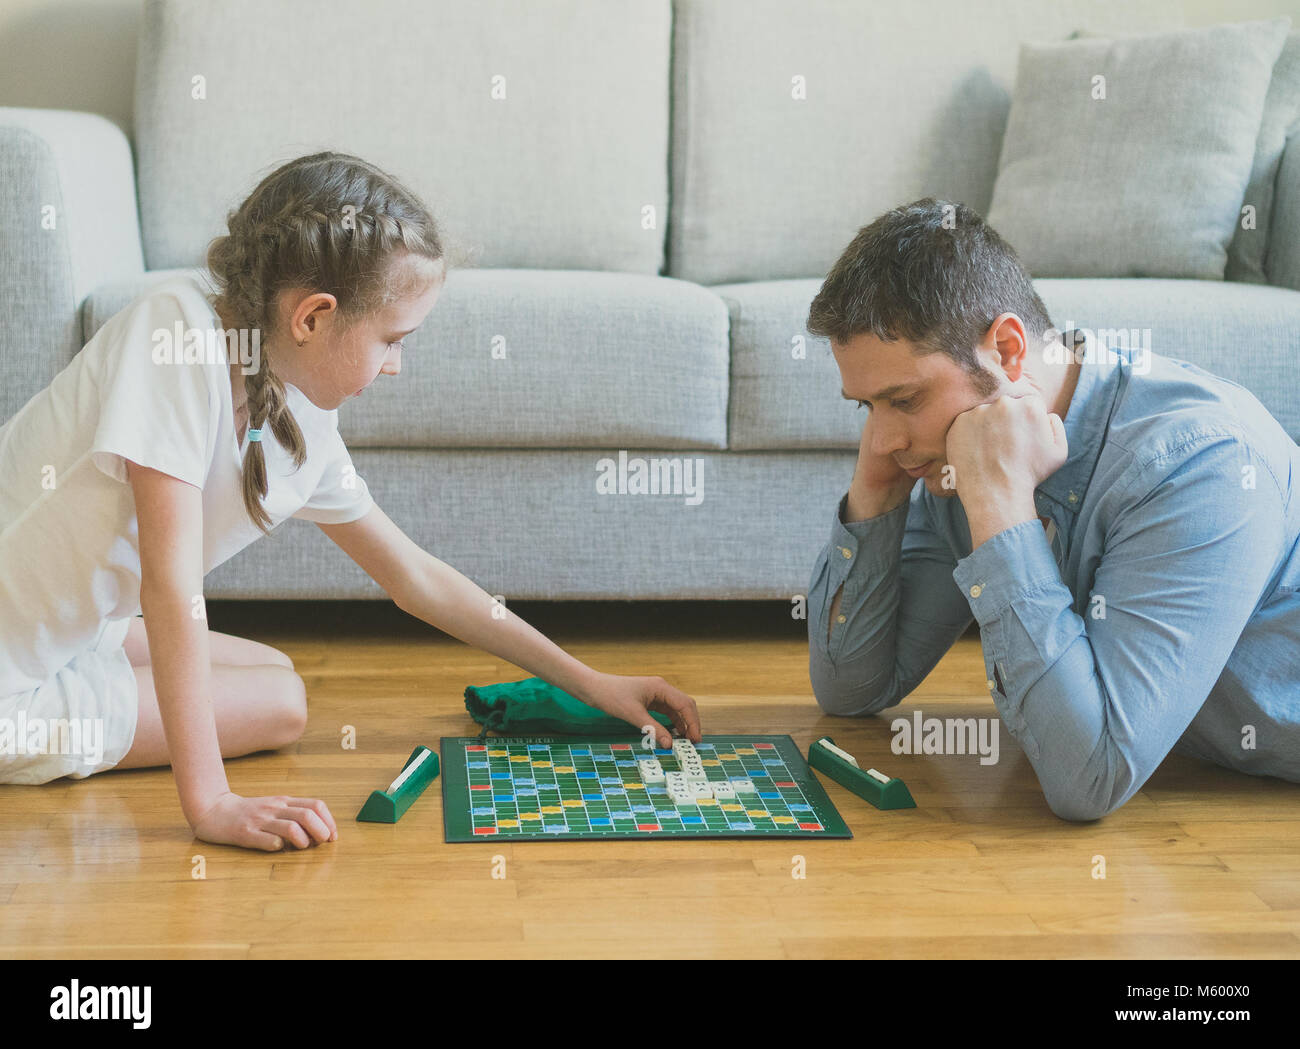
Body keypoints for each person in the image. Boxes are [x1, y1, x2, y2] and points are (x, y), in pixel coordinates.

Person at [0, 151, 700, 850]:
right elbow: (170, 582)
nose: (398, 364)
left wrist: (590, 682)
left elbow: (416, 578)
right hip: (12, 688)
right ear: (313, 317)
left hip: (70, 631)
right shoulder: (175, 334)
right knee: (282, 704)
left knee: (274, 673)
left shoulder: (298, 415)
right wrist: (210, 801)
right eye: (393, 340)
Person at [805, 197, 1299, 821]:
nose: (884, 439)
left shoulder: (1202, 464)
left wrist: (1001, 504)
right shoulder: (958, 452)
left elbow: (1087, 780)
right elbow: (851, 689)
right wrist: (873, 493)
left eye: (903, 399)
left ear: (1007, 350)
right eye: (865, 407)